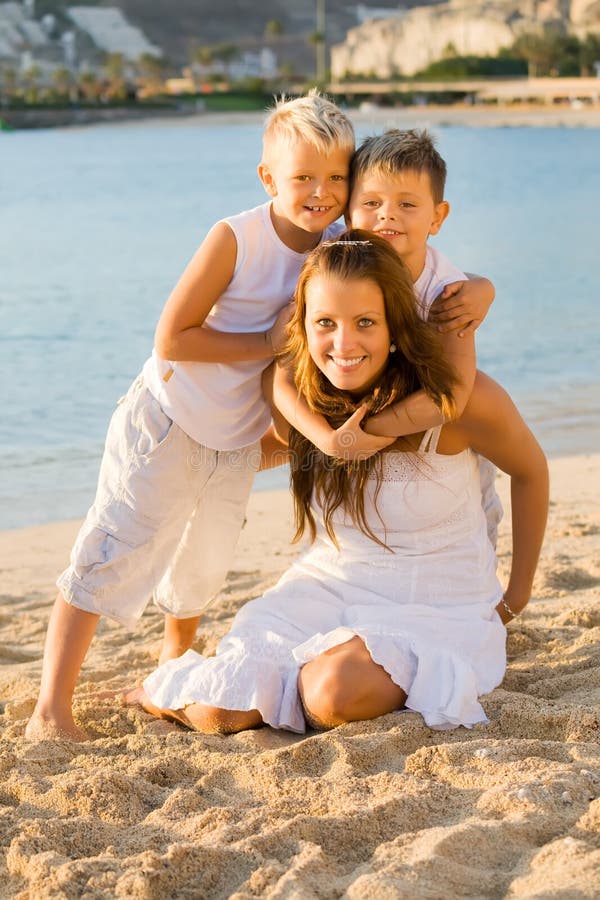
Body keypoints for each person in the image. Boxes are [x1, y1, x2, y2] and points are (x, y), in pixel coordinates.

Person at [26, 91, 360, 742]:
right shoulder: (235, 237)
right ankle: (50, 710)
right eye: (302, 178)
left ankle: (172, 659)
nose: (320, 192)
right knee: (111, 550)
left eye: (336, 177)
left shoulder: (338, 242)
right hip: (169, 420)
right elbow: (171, 338)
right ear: (269, 178)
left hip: (234, 436)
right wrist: (267, 344)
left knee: (204, 564)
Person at [125, 232, 549, 735]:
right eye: (325, 323)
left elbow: (530, 471)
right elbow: (253, 453)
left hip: (439, 601)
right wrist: (166, 463)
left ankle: (286, 686)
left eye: (365, 323)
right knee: (223, 712)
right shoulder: (307, 407)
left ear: (395, 327)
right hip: (327, 587)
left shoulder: (456, 402)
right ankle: (160, 689)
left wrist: (514, 597)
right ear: (301, 326)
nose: (344, 345)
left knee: (332, 693)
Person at [270, 129, 503, 546]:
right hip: (353, 423)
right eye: (372, 203)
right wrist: (329, 438)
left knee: (471, 520)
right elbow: (281, 374)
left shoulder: (444, 292)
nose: (387, 216)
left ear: (437, 216)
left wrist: (367, 430)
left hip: (418, 431)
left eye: (407, 204)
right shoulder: (332, 266)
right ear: (347, 213)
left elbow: (450, 396)